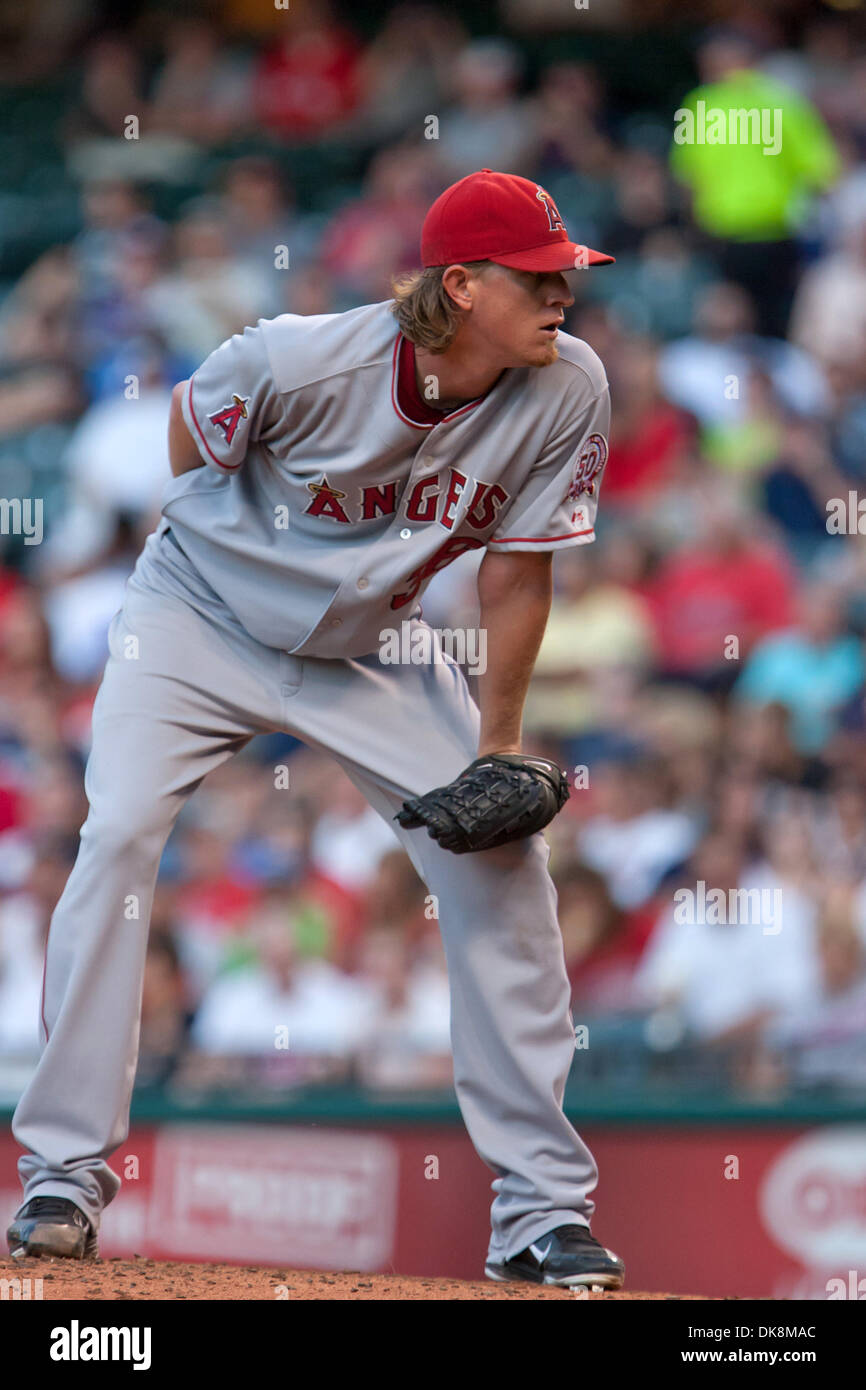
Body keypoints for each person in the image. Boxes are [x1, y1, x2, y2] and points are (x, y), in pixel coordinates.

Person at [6, 169, 625, 1290]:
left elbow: (517, 575)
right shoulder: (299, 356)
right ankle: (60, 1171)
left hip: (372, 645)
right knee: (118, 837)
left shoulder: (566, 384)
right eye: (537, 279)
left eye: (563, 277)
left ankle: (538, 1214)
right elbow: (188, 446)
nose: (561, 297)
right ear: (460, 284)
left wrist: (499, 745)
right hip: (197, 615)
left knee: (500, 865)